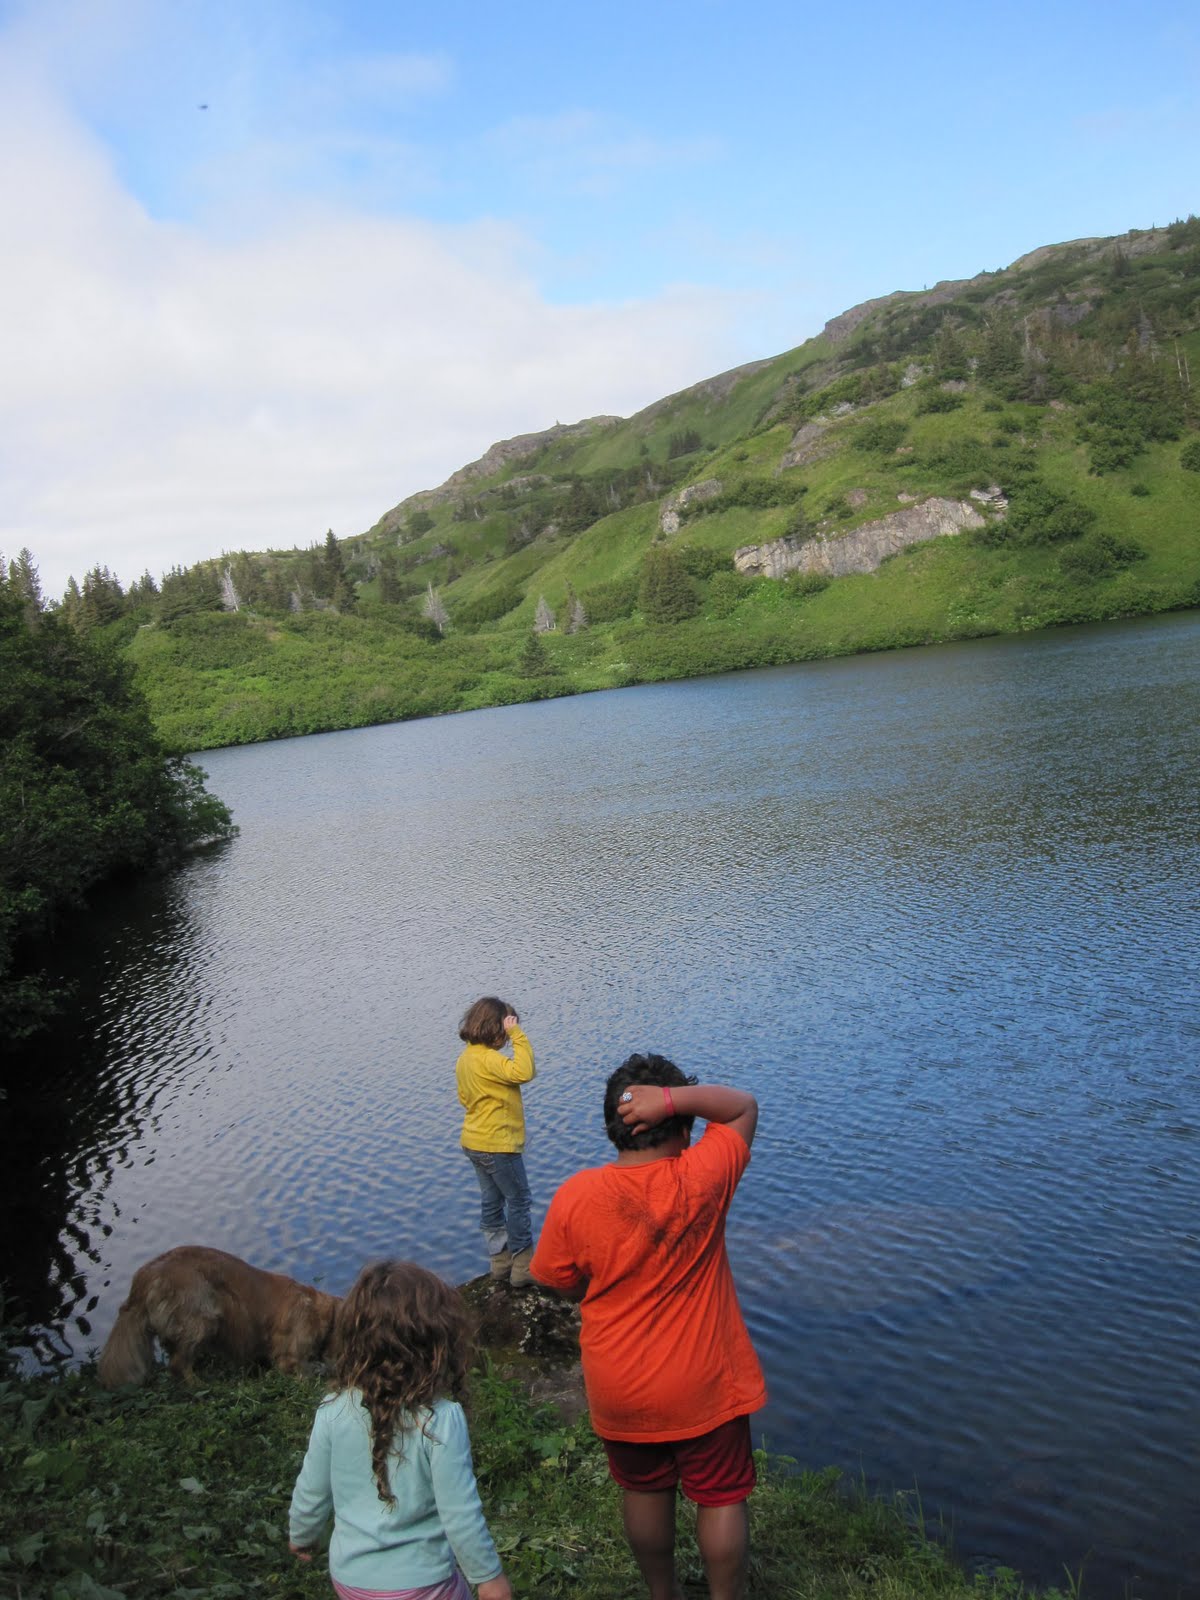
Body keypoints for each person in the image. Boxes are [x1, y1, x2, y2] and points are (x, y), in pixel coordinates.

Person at [529, 1055, 764, 1600]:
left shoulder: (576, 1196)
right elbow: (742, 1107)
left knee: (644, 1490)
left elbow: (560, 1282)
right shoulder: (703, 1176)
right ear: (681, 1125)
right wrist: (678, 1099)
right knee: (722, 1495)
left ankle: (664, 1594)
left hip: (621, 1386)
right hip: (704, 1384)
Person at [288, 1259, 511, 1600]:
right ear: (437, 1345)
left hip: (351, 1581)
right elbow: (460, 1514)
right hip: (424, 1584)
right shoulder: (441, 1420)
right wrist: (488, 1578)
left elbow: (312, 1489)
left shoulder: (332, 1410)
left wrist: (302, 1533)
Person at [456, 997, 537, 1286]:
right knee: (519, 1201)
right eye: (506, 1030)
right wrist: (519, 1036)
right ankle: (522, 1268)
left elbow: (464, 1098)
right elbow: (525, 1072)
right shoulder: (491, 1060)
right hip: (498, 1144)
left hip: (473, 1142)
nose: (507, 1037)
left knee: (491, 1202)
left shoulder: (466, 1058)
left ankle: (499, 1264)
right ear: (496, 1028)